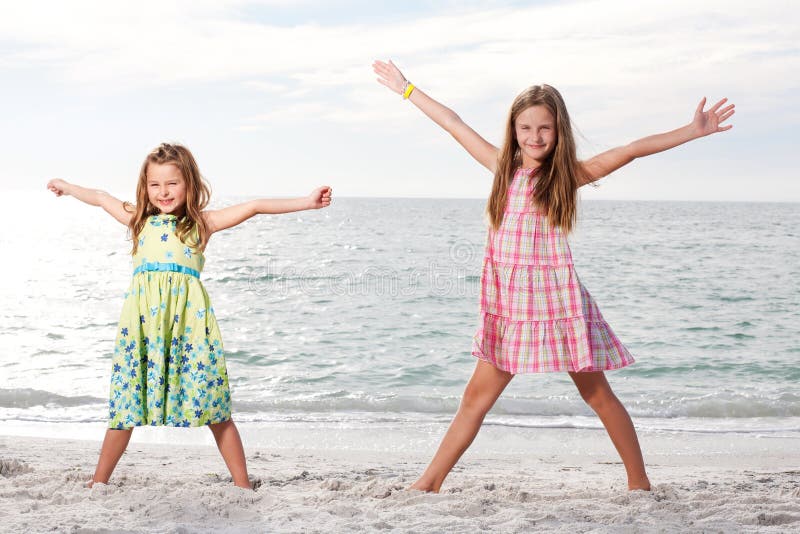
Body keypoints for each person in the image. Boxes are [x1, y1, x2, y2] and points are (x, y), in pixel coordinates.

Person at [373, 59, 734, 492]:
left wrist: (691, 131)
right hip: (511, 308)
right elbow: (453, 123)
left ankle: (639, 483)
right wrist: (406, 88)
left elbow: (630, 149)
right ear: (513, 130)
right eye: (525, 128)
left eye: (544, 128)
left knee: (597, 395)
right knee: (474, 400)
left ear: (559, 130)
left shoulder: (566, 176)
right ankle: (428, 484)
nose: (535, 137)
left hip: (558, 304)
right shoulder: (502, 169)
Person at [46, 143, 332, 488]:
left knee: (214, 406)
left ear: (189, 184)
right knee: (125, 405)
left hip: (189, 326)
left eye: (172, 183)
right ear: (145, 187)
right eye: (155, 184)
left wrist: (307, 202)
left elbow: (255, 206)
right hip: (143, 328)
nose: (163, 192)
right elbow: (100, 197)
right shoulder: (139, 220)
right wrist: (67, 186)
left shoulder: (201, 224)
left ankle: (243, 485)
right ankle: (99, 482)